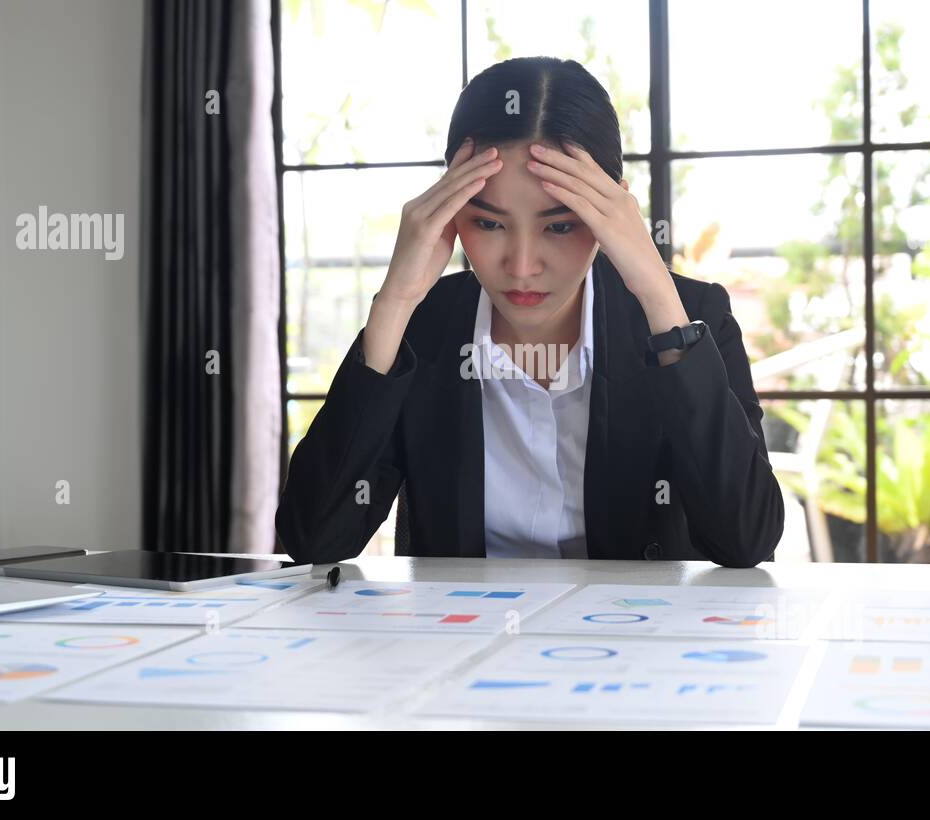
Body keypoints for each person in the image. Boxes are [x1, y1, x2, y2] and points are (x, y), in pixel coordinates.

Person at [275, 56, 784, 567]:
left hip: (635, 641)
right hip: (461, 640)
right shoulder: (421, 327)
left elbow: (745, 539)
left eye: (559, 226)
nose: (520, 267)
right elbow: (314, 539)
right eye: (489, 224)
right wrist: (395, 303)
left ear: (613, 214)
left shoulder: (688, 316)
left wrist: (654, 290)